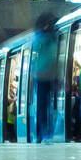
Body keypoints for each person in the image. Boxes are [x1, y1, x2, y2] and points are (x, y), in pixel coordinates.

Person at [31, 12, 61, 142]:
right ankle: (46, 132)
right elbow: (54, 59)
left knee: (42, 106)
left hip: (42, 77)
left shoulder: (38, 39)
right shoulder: (52, 39)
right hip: (50, 76)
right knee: (48, 105)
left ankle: (42, 133)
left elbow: (35, 60)